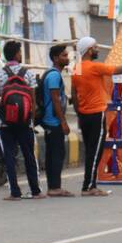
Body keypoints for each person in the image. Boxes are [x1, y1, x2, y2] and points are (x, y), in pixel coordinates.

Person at [71, 35, 122, 197]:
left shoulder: (76, 69)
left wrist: (79, 113)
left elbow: (74, 95)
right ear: (89, 50)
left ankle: (89, 185)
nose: (97, 49)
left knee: (90, 151)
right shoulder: (95, 67)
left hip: (83, 116)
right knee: (95, 152)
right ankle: (89, 187)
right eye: (95, 47)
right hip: (96, 114)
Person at [0, 40, 43, 201]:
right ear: (17, 54)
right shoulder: (28, 74)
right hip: (25, 123)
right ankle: (36, 191)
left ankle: (15, 193)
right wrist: (30, 120)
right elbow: (32, 101)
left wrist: (3, 92)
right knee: (29, 156)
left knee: (9, 157)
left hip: (5, 123)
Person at [37, 43, 73, 197]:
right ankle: (55, 187)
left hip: (51, 120)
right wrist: (63, 122)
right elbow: (55, 100)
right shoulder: (54, 75)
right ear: (56, 58)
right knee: (57, 154)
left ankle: (53, 186)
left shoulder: (53, 74)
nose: (67, 57)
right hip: (53, 121)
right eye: (64, 55)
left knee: (54, 153)